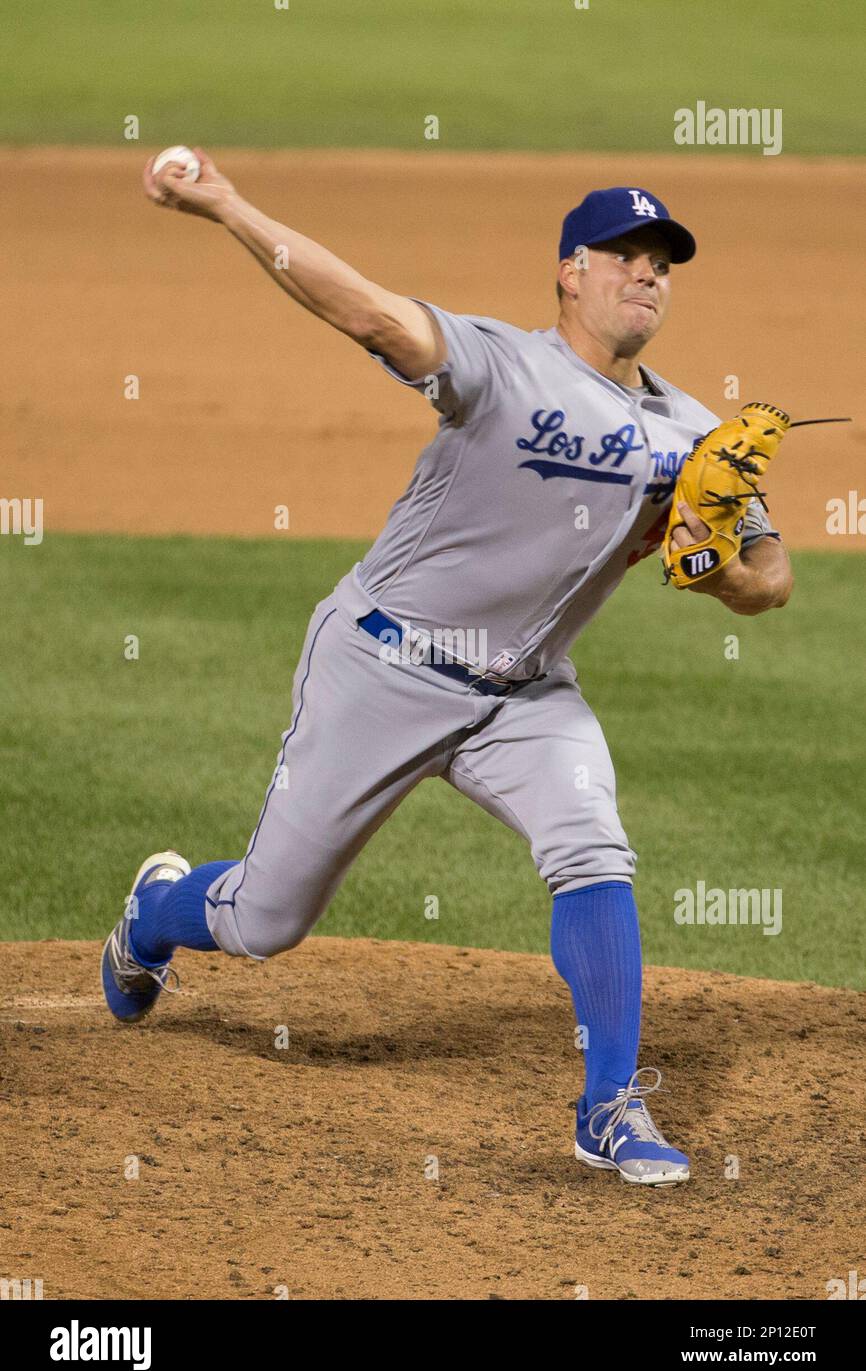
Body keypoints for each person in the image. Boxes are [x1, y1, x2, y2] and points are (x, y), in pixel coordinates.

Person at [102, 155, 792, 1186]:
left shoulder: (696, 435)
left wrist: (721, 569)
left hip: (525, 696)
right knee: (264, 920)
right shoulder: (496, 365)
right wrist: (225, 204)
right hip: (380, 668)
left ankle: (609, 1104)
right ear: (569, 272)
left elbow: (771, 577)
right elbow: (368, 312)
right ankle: (154, 915)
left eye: (661, 262)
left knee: (592, 845)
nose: (645, 273)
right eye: (622, 256)